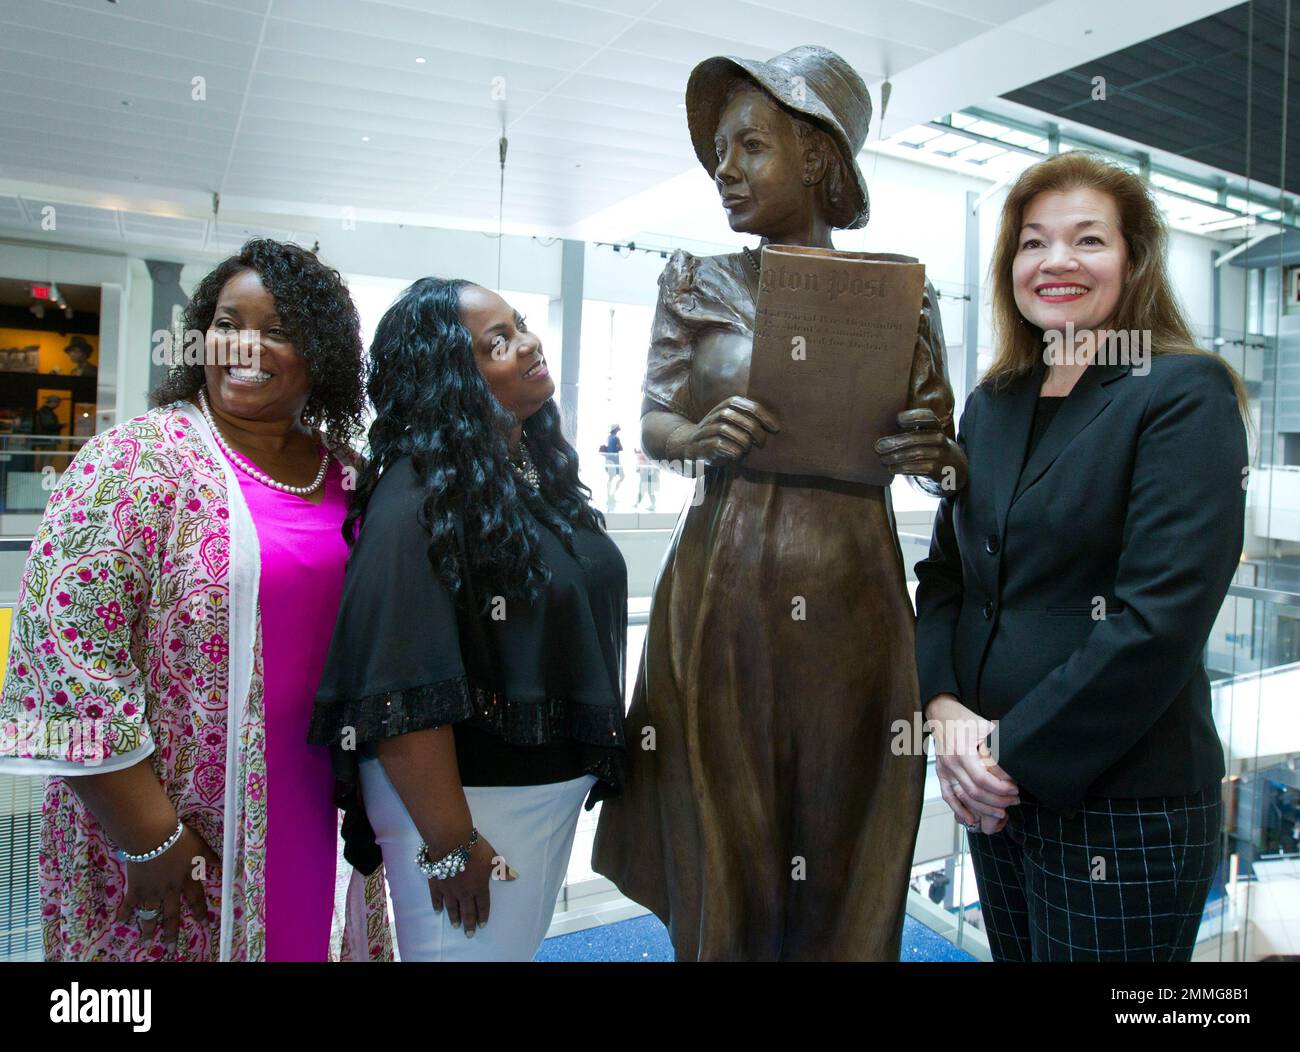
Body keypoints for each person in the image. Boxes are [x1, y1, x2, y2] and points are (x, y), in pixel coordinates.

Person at [591, 46, 968, 961]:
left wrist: (934, 453)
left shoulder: (902, 301)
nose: (726, 170)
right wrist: (696, 437)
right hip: (725, 583)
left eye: (751, 146)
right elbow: (653, 419)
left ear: (820, 161)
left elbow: (941, 451)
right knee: (727, 820)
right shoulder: (698, 281)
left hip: (855, 593)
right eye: (721, 150)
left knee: (842, 812)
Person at [0, 238, 392, 962]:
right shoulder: (136, 459)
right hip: (173, 822)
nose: (246, 345)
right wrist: (148, 836)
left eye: (278, 330)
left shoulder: (351, 475)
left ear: (325, 353)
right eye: (227, 322)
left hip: (319, 803)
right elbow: (60, 658)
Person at [913, 151, 1251, 962]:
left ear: (1133, 261)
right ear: (1012, 265)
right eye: (1034, 242)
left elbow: (1160, 619)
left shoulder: (1180, 391)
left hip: (1123, 802)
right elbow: (947, 577)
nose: (1057, 261)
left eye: (1088, 240)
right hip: (993, 792)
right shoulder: (993, 403)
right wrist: (944, 708)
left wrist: (1004, 751)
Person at [310, 277, 627, 962]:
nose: (529, 343)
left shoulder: (522, 469)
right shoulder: (417, 492)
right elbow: (398, 683)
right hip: (471, 810)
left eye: (519, 324)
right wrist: (450, 843)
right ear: (450, 379)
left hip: (526, 800)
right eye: (498, 342)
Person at [599, 423, 624, 508]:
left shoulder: (608, 437)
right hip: (615, 460)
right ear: (616, 429)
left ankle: (609, 495)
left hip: (608, 460)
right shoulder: (616, 438)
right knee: (621, 477)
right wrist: (617, 448)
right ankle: (611, 495)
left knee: (611, 478)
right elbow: (621, 448)